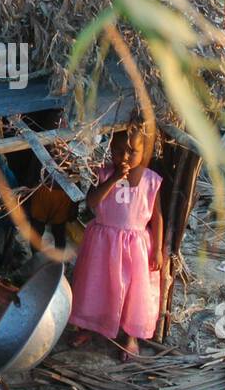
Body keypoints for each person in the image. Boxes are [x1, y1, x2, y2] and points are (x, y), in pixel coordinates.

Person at [67, 124, 165, 356]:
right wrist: (112, 180)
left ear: (143, 152)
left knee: (133, 291)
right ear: (110, 148)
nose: (125, 156)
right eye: (119, 150)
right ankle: (88, 325)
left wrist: (158, 249)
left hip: (136, 246)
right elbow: (91, 202)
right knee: (96, 286)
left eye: (132, 151)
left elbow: (157, 216)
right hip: (102, 242)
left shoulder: (151, 181)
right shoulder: (103, 173)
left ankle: (130, 335)